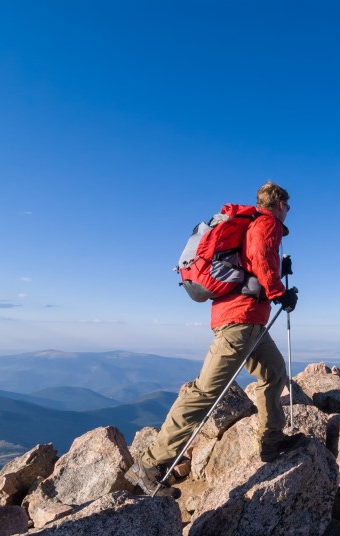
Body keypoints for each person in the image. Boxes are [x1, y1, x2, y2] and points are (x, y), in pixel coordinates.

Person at [125, 181, 300, 496]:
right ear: (280, 204)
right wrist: (279, 292)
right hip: (239, 321)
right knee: (205, 392)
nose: (288, 212)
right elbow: (259, 254)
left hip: (249, 322)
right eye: (287, 206)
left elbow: (254, 260)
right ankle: (150, 465)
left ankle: (272, 440)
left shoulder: (253, 224)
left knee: (274, 373)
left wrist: (277, 269)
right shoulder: (267, 222)